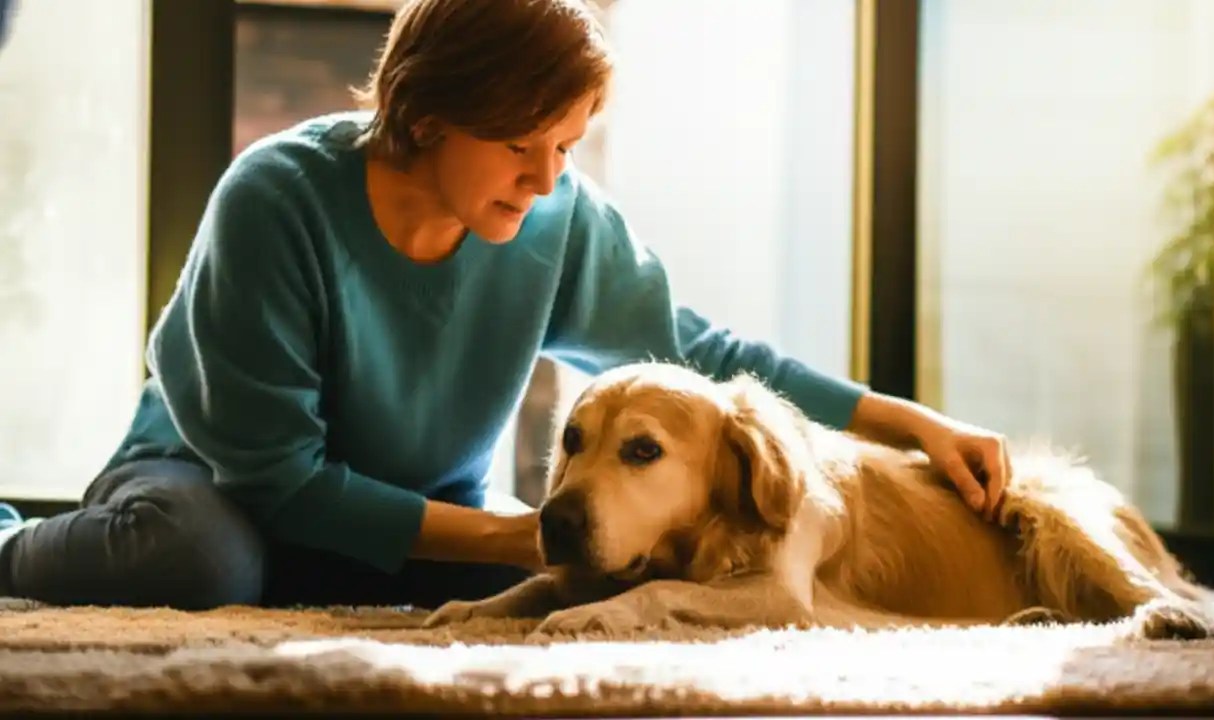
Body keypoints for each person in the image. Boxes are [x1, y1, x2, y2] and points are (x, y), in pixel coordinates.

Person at [0, 0, 1010, 611]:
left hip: (419, 520)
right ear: (425, 115)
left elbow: (702, 355)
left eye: (566, 145)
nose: (544, 176)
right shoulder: (274, 199)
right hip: (220, 484)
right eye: (522, 143)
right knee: (200, 562)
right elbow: (278, 479)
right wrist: (503, 536)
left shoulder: (556, 217)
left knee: (597, 587)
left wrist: (909, 422)